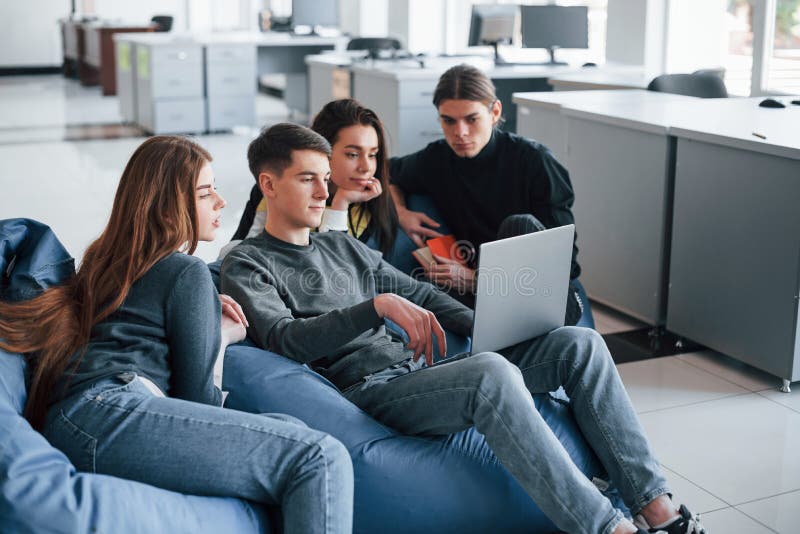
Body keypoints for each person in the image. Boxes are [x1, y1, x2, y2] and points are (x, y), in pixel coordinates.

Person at [221, 123, 706, 534]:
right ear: (268, 184)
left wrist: (489, 324)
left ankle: (658, 510)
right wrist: (376, 307)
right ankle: (606, 526)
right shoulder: (247, 263)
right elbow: (285, 338)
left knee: (579, 344)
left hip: (423, 371)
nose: (325, 193)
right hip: (369, 391)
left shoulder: (341, 246)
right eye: (308, 180)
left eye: (326, 179)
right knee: (491, 374)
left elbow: (423, 294)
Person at [0, 136, 353, 534]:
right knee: (320, 457)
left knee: (294, 428)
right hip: (112, 413)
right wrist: (220, 337)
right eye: (205, 193)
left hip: (82, 419)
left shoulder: (105, 262)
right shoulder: (187, 272)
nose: (221, 201)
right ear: (168, 209)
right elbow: (199, 400)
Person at [389, 64, 583, 316]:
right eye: (448, 121)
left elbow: (564, 260)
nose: (460, 133)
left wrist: (478, 279)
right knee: (417, 292)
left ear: (495, 112)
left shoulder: (535, 160)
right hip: (471, 287)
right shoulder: (435, 159)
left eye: (472, 119)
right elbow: (386, 172)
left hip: (538, 286)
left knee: (520, 225)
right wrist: (400, 212)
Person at [228, 98, 398, 257]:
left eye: (373, 154)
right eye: (353, 154)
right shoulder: (276, 188)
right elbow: (234, 256)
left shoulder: (374, 205)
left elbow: (340, 272)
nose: (366, 167)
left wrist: (342, 203)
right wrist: (340, 205)